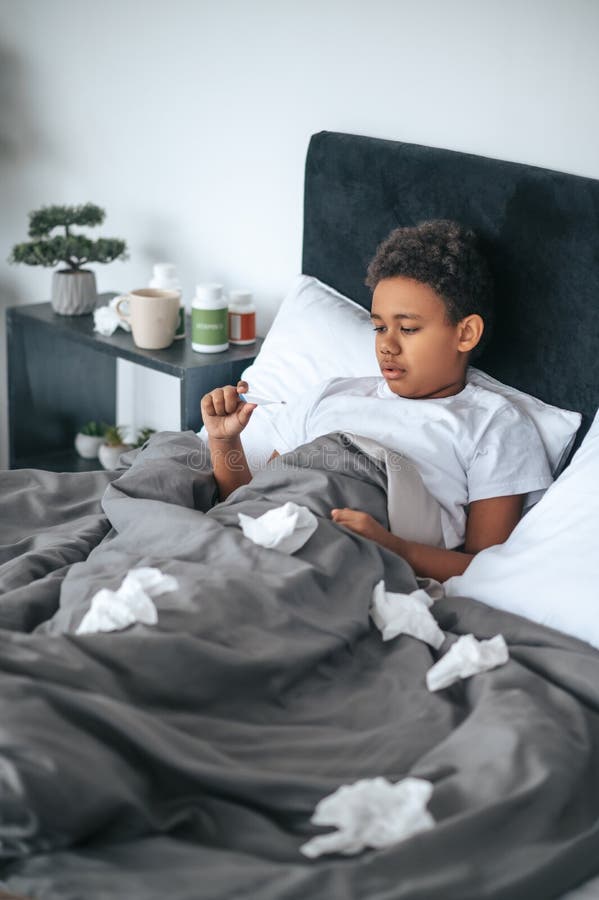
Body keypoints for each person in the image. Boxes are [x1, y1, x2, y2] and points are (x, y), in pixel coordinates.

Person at [201, 220, 552, 582]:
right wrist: (223, 440)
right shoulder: (330, 395)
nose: (387, 345)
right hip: (259, 536)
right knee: (172, 458)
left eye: (408, 329)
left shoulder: (493, 424)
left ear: (465, 333)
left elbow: (487, 569)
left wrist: (396, 550)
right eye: (380, 327)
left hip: (334, 554)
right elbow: (254, 506)